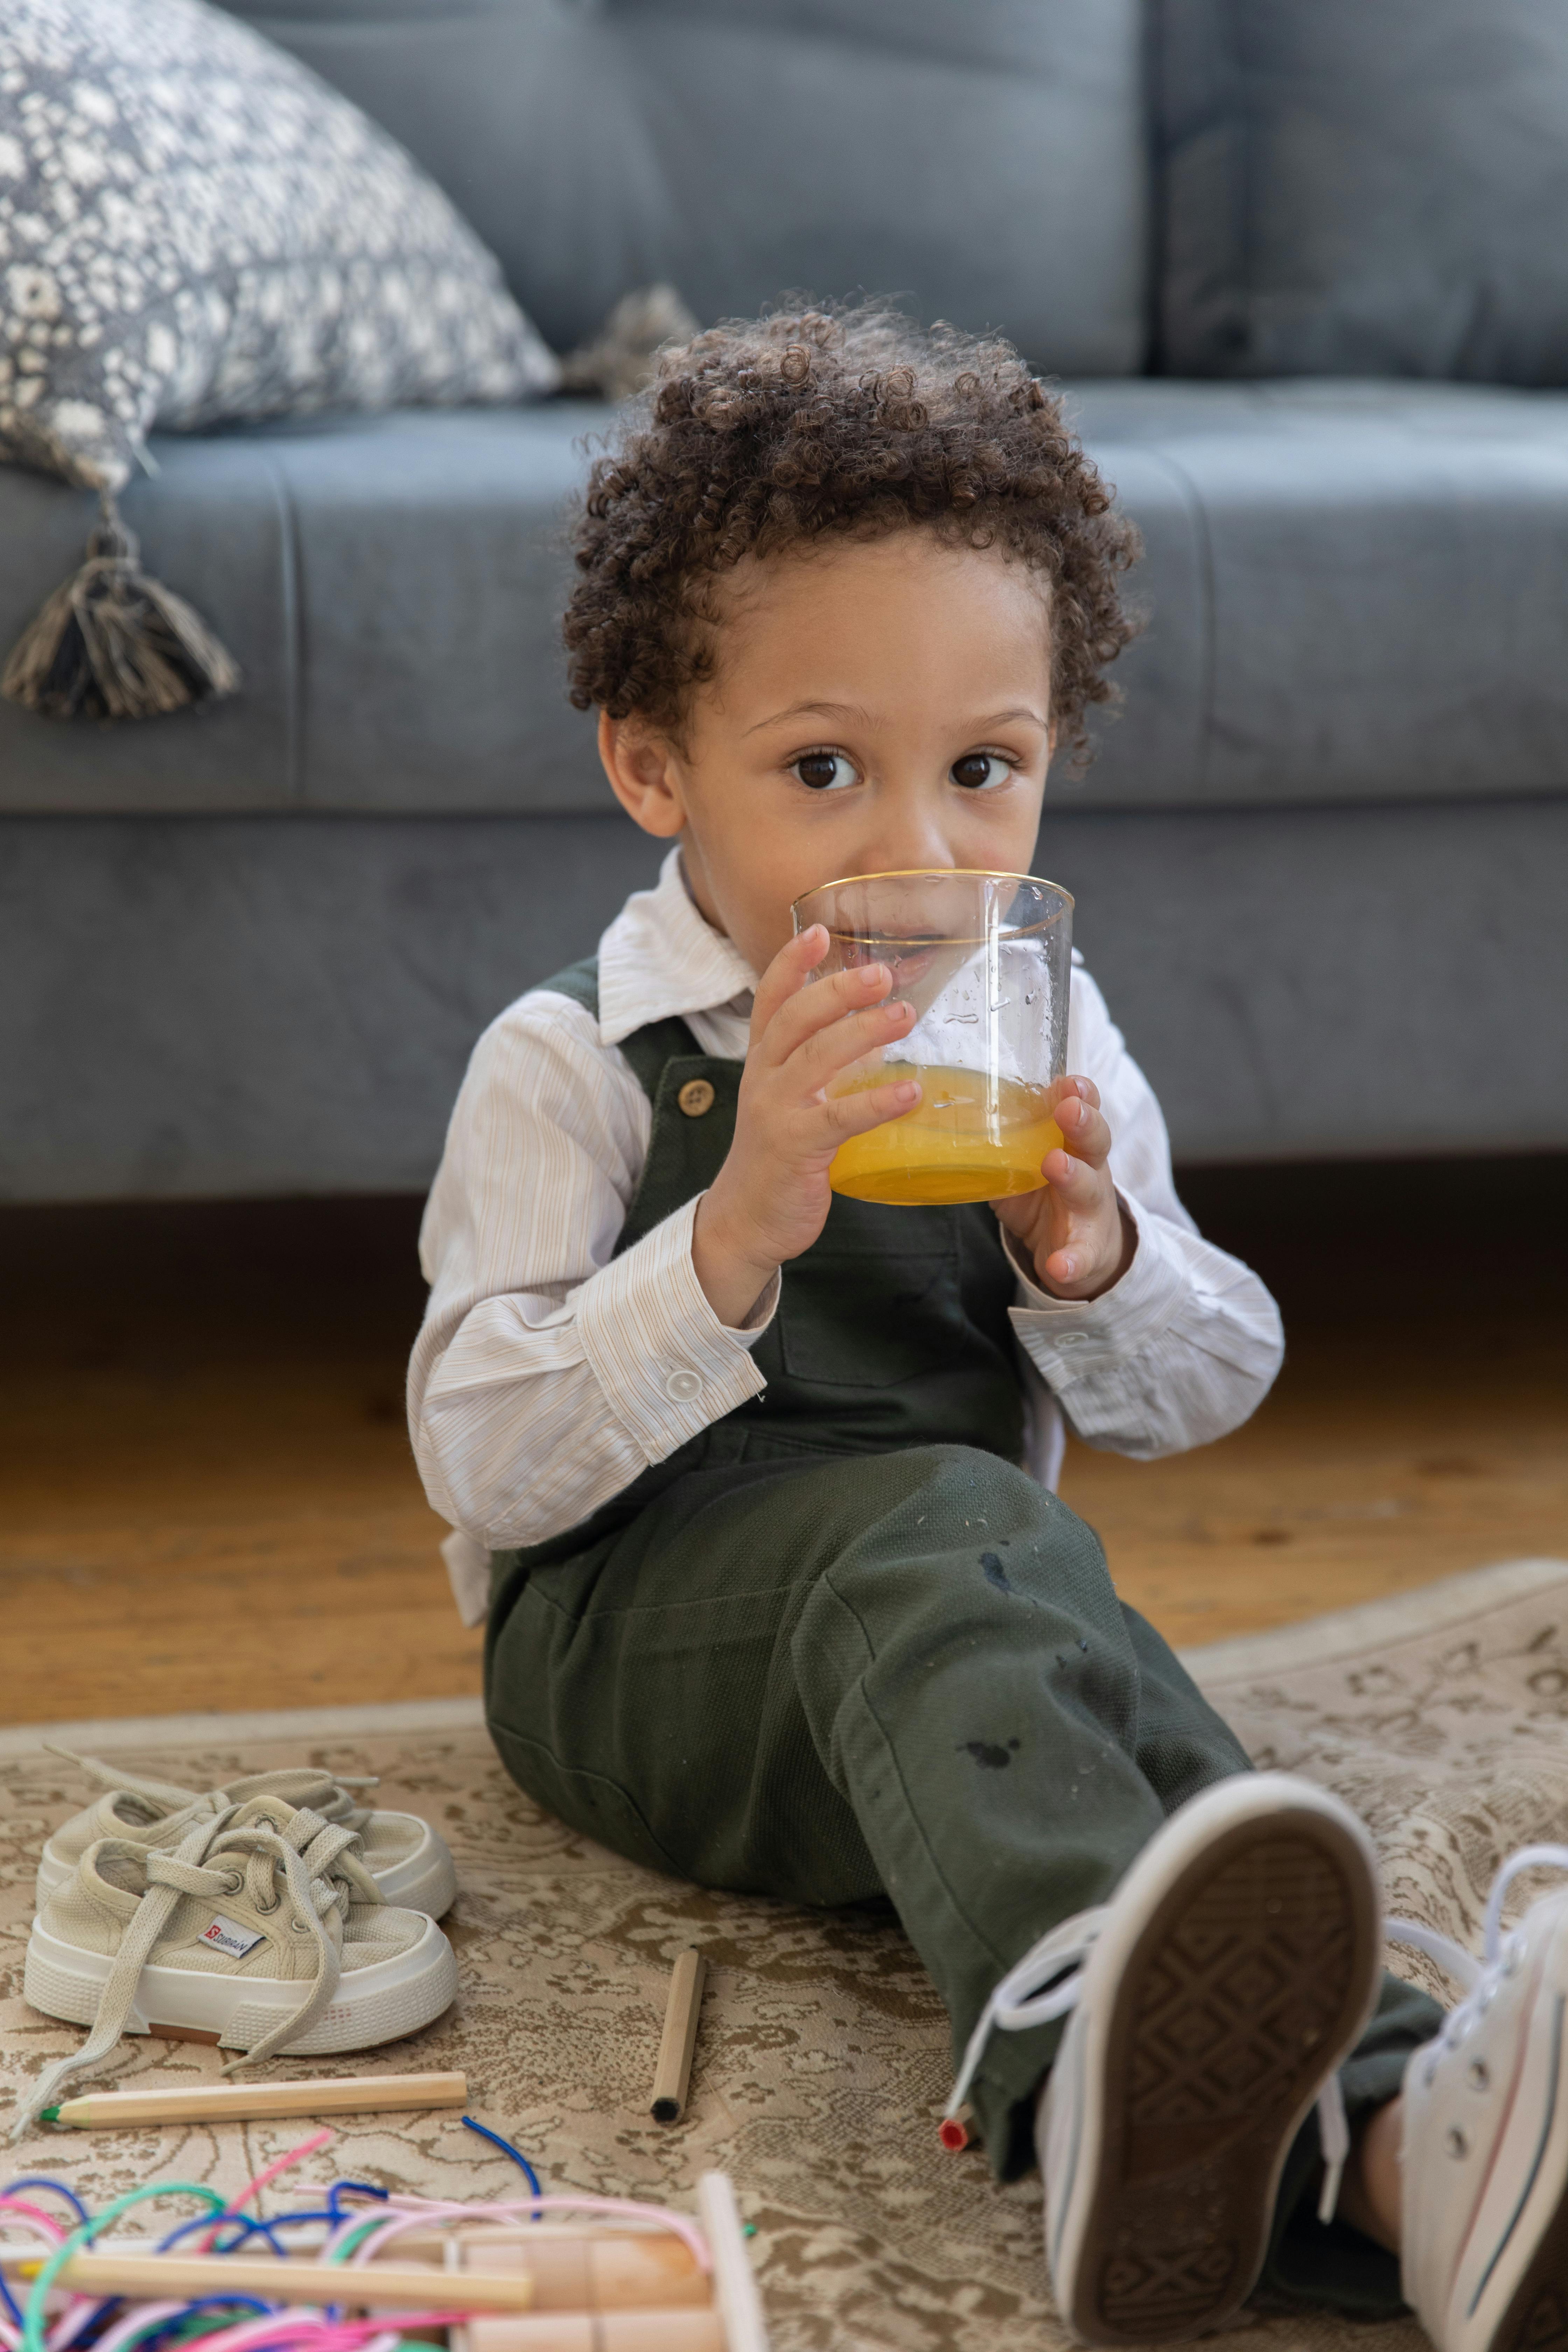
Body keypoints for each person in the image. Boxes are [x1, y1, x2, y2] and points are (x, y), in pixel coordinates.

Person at [409, 306, 1567, 2347]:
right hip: (628, 1653)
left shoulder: (1044, 1036)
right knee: (964, 1544)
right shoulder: (574, 1060)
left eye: (984, 771)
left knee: (1105, 1681)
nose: (921, 858)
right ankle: (1073, 2050)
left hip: (938, 1615)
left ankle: (1398, 2157)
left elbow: (1214, 1383)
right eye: (824, 770)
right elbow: (481, 1457)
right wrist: (733, 1232)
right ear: (654, 763)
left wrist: (1090, 1251)